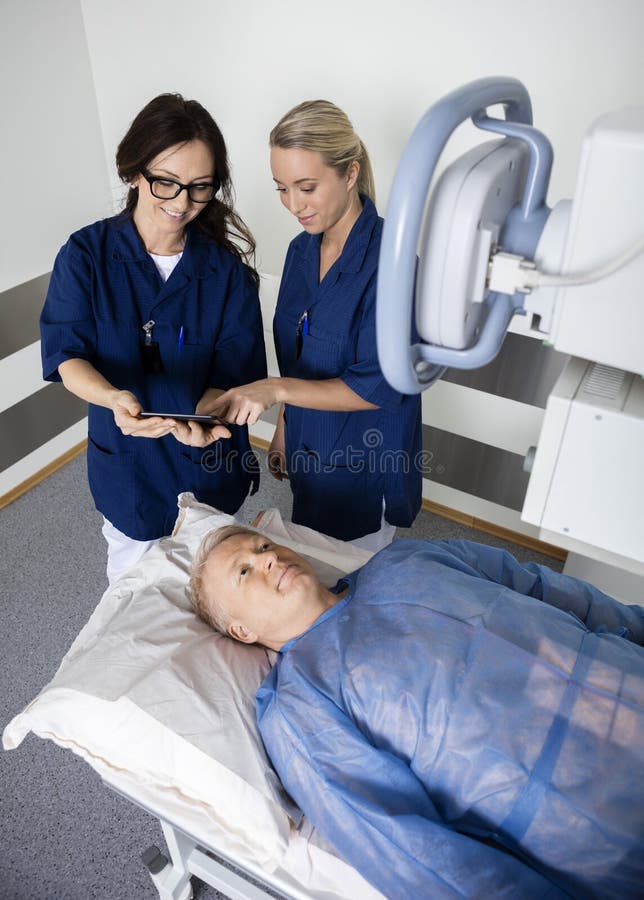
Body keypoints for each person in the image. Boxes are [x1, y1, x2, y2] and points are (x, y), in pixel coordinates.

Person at [190, 525, 644, 900]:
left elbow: (544, 586)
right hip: (597, 820)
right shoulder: (298, 708)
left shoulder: (407, 559)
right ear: (242, 631)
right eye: (245, 571)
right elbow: (418, 856)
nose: (267, 558)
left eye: (263, 545)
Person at [40, 94, 267, 584]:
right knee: (132, 598)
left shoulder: (226, 274)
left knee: (216, 601)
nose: (182, 203)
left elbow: (235, 382)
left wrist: (205, 415)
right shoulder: (86, 256)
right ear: (133, 172)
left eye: (200, 188)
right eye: (166, 183)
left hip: (208, 462)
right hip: (128, 469)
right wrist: (112, 397)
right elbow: (66, 354)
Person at [204, 101, 439, 550]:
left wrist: (276, 392)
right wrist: (284, 429)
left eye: (306, 187)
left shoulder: (391, 264)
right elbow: (299, 359)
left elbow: (382, 387)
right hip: (310, 451)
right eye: (282, 189)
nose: (293, 205)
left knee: (358, 581)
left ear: (350, 174)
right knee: (313, 566)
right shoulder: (300, 251)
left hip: (366, 461)